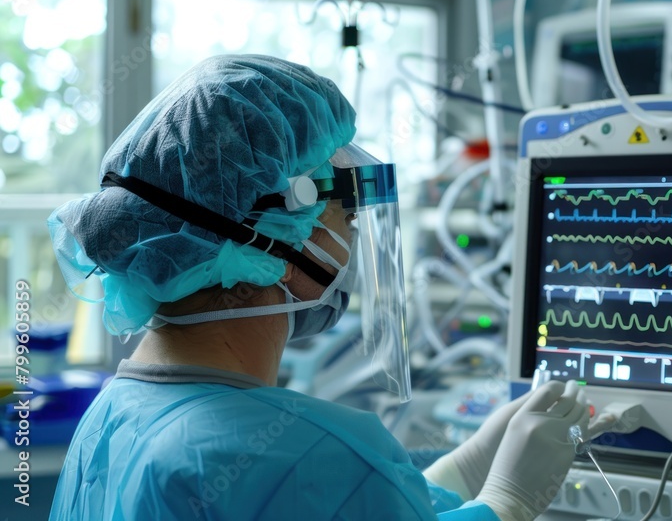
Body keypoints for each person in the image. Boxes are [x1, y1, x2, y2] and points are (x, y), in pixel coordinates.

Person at [47, 55, 595, 520]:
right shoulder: (294, 453)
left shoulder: (112, 417)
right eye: (347, 218)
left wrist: (471, 467)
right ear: (271, 244)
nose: (354, 235)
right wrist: (508, 502)